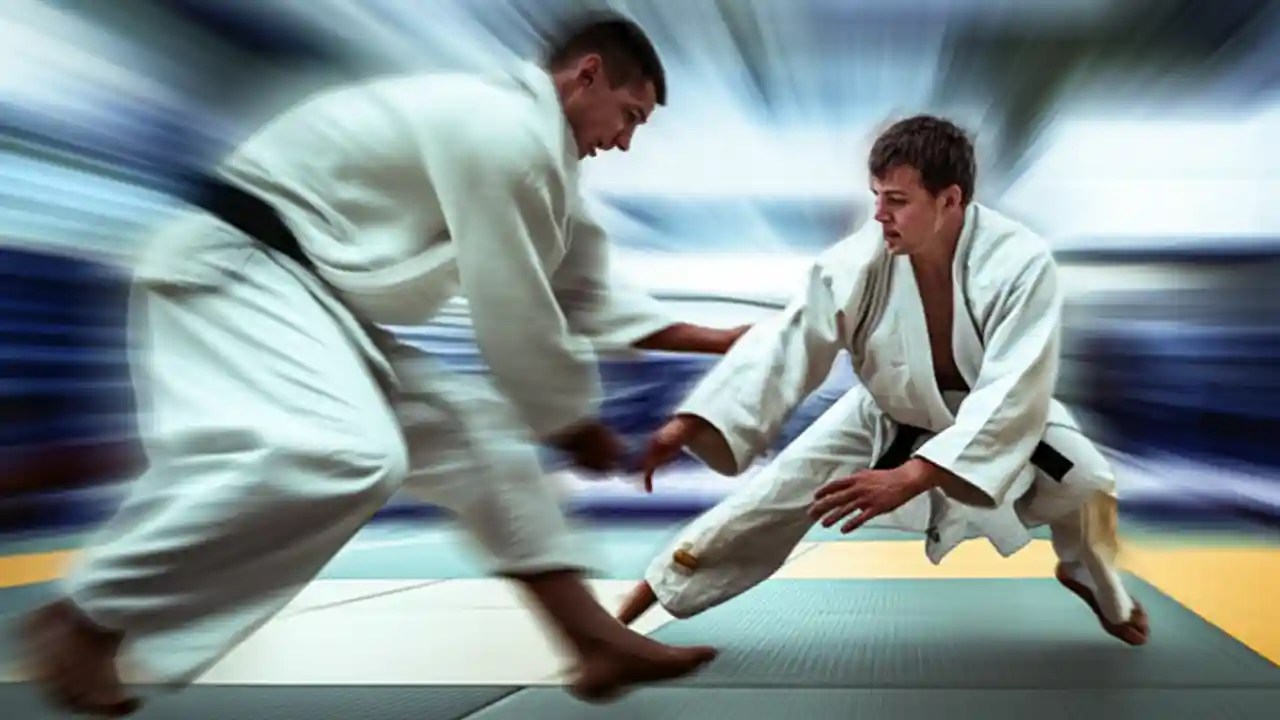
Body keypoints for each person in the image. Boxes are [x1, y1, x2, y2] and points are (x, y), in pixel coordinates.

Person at [18, 14, 740, 716]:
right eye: (630, 114)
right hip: (237, 268)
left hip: (309, 297)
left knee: (477, 434)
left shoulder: (532, 156)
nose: (624, 141)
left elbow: (584, 288)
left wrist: (719, 338)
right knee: (344, 453)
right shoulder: (501, 130)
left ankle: (593, 643)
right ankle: (86, 616)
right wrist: (569, 420)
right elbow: (514, 301)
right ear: (587, 75)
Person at [615, 115, 1150, 649]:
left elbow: (1016, 387)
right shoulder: (859, 260)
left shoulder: (1020, 262)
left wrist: (915, 475)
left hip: (1001, 419)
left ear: (949, 200)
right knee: (765, 500)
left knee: (1086, 483)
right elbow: (791, 340)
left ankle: (1091, 580)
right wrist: (691, 421)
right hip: (884, 415)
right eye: (875, 196)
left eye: (896, 200)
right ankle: (625, 618)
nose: (879, 214)